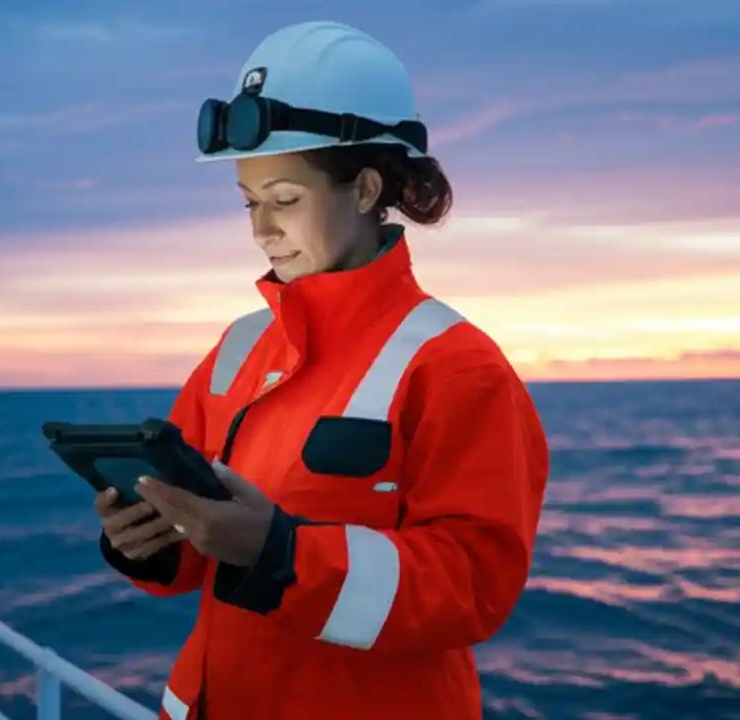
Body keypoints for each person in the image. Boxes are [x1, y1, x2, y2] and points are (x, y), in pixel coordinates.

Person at [93, 20, 550, 720]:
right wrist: (149, 540)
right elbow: (195, 558)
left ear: (365, 189)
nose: (261, 230)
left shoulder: (457, 367)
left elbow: (473, 588)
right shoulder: (239, 347)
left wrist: (278, 553)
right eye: (250, 202)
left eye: (285, 200)